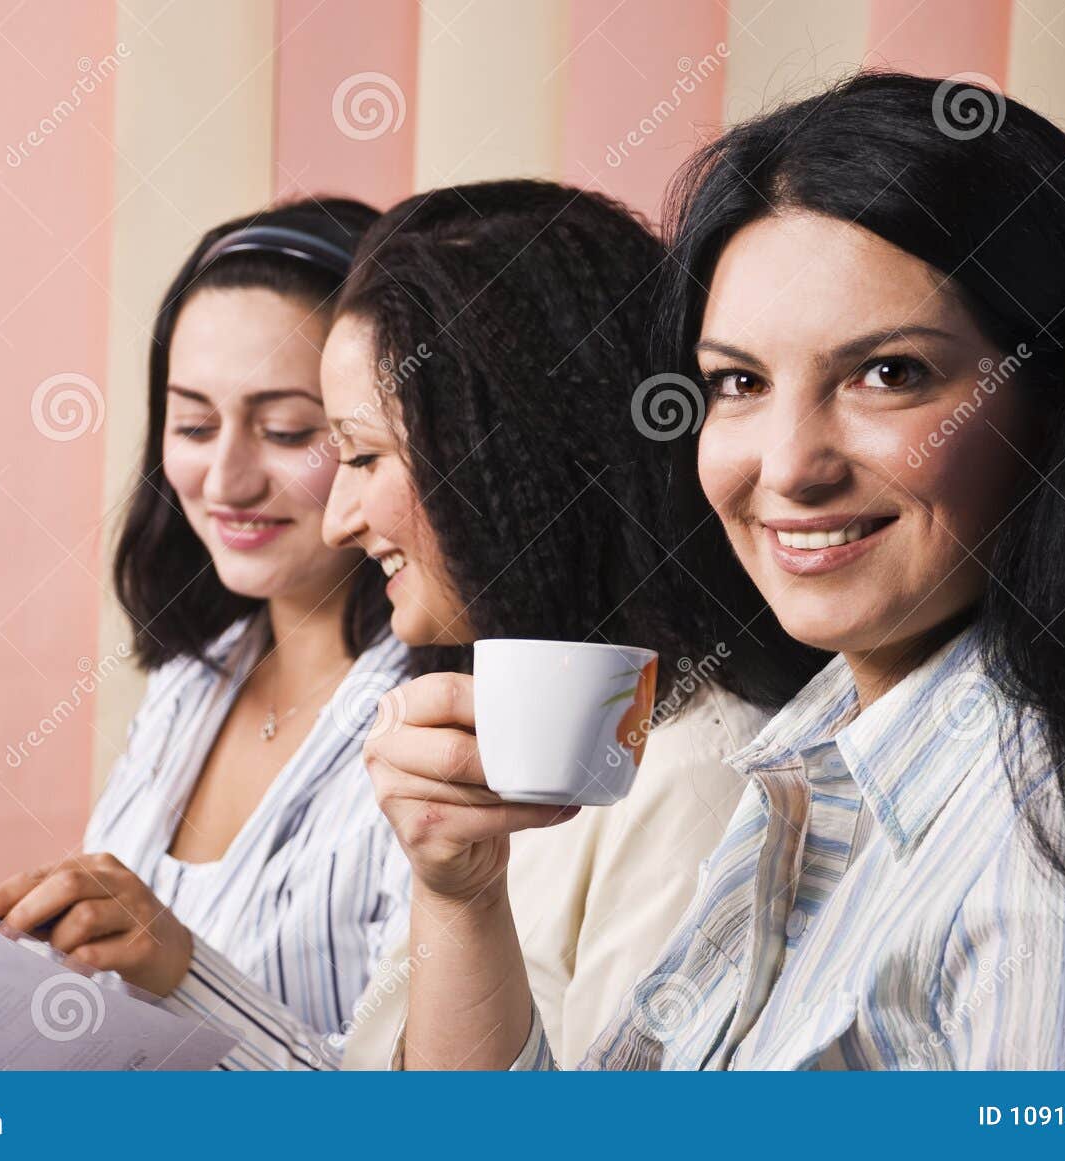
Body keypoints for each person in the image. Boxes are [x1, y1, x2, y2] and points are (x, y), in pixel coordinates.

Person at [375, 73, 1065, 1070]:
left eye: (888, 374)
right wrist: (463, 894)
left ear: (1061, 399)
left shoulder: (1063, 858)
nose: (788, 467)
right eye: (737, 383)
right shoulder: (821, 757)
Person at [160, 179, 813, 1069]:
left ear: (504, 454)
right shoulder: (484, 746)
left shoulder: (700, 772)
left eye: (359, 454)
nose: (337, 520)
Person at [0, 198, 411, 1045]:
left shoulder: (440, 730)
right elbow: (75, 992)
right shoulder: (194, 678)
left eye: (288, 430)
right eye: (195, 424)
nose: (226, 480)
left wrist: (183, 971)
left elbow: (412, 1105)